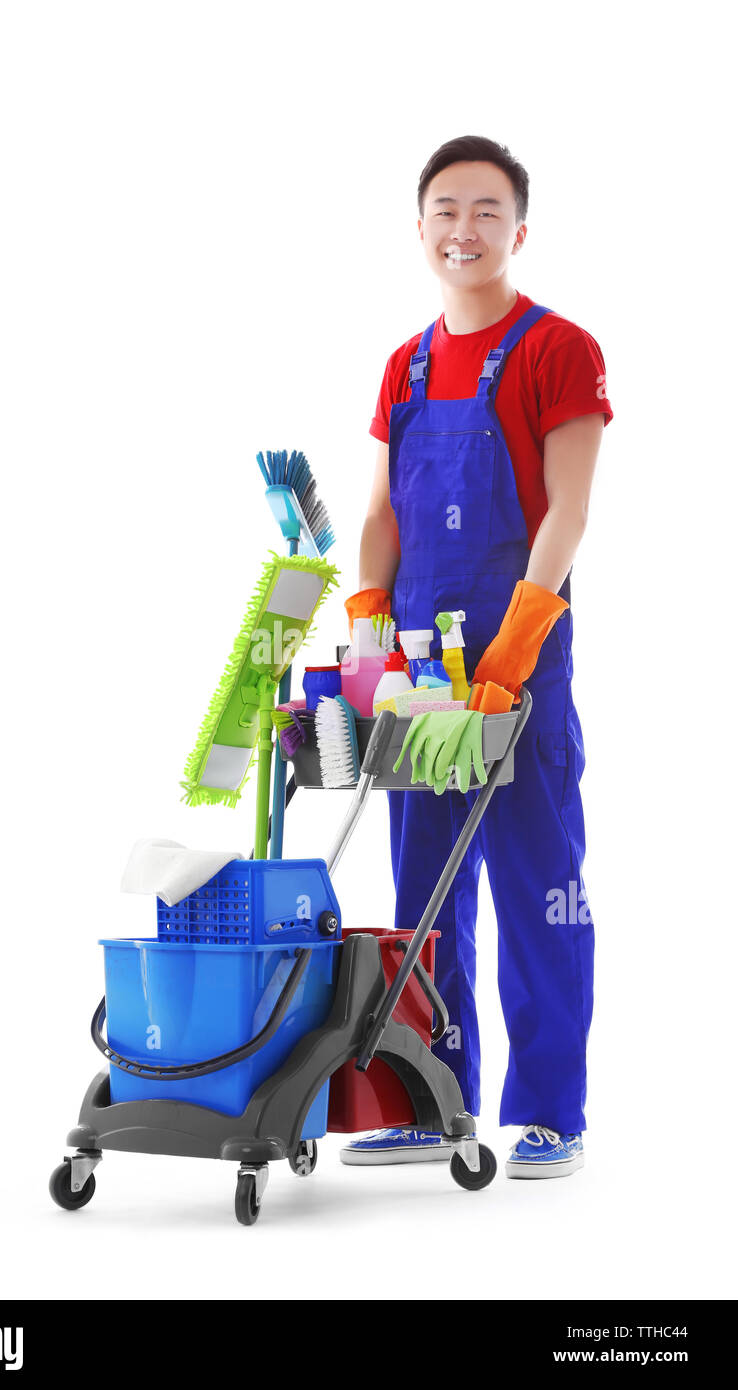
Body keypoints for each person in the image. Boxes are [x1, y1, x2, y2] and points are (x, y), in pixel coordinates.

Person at [341, 135, 612, 1178]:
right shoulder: (404, 364)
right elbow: (377, 513)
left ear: (518, 230)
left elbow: (568, 511)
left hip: (519, 667)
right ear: (418, 227)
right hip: (416, 675)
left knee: (538, 883)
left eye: (485, 211)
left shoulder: (558, 349)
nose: (463, 229)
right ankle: (428, 1098)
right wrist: (368, 613)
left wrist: (513, 643)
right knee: (420, 890)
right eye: (444, 209)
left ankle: (550, 1113)